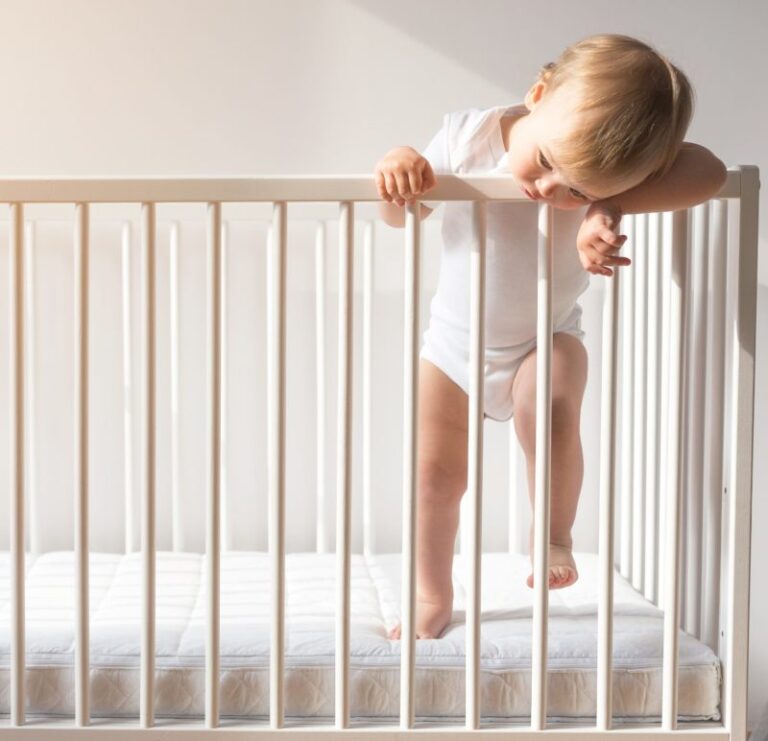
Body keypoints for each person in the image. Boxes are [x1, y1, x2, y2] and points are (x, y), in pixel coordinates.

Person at [373, 34, 727, 640]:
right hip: (453, 349)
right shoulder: (466, 139)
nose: (548, 189)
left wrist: (609, 205)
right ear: (536, 97)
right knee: (435, 476)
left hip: (546, 337)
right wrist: (399, 165)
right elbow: (399, 214)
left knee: (552, 405)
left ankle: (554, 536)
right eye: (545, 162)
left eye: (577, 188)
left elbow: (712, 172)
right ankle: (432, 592)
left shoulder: (599, 187)